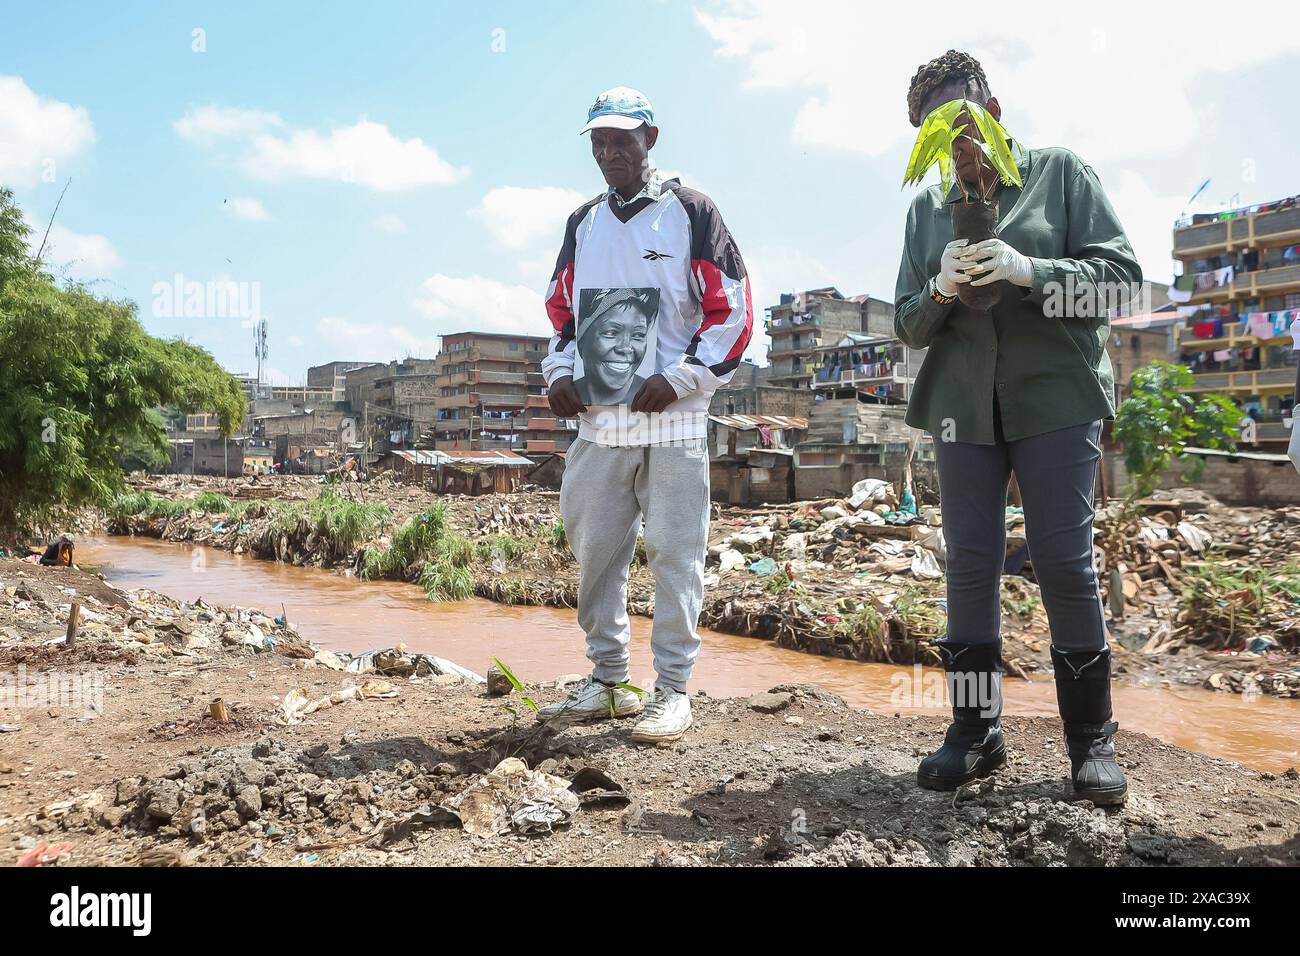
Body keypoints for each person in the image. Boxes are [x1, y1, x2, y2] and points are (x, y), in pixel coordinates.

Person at [895, 51, 1141, 805]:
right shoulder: (926, 212)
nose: (957, 145)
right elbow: (909, 325)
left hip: (1055, 399)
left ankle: (1089, 741)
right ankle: (975, 733)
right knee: (969, 564)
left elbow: (1122, 286)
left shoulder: (1060, 175)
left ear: (993, 111)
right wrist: (938, 288)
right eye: (938, 135)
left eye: (963, 123)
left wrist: (1029, 270)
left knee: (1063, 561)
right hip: (961, 408)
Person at [540, 87, 752, 743]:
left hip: (676, 417)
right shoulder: (584, 224)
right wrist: (558, 373)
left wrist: (680, 376)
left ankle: (672, 691)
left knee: (674, 552)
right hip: (604, 417)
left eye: (622, 141)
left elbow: (734, 312)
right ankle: (607, 682)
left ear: (650, 140)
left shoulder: (691, 211)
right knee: (596, 548)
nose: (609, 153)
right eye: (599, 143)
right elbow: (562, 316)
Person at [572, 288, 657, 405]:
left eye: (638, 335)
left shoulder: (653, 397)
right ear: (581, 340)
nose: (626, 348)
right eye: (611, 333)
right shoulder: (569, 394)